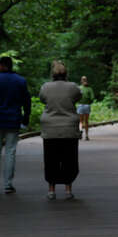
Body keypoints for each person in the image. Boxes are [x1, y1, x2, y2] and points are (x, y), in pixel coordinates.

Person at [0, 55, 31, 194]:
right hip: (13, 120)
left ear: (1, 65)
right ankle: (8, 184)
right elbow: (27, 101)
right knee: (10, 152)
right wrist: (26, 117)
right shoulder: (20, 81)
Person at [38, 60, 82, 200]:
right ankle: (68, 190)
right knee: (69, 159)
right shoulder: (73, 87)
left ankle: (51, 190)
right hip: (69, 128)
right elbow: (78, 97)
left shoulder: (45, 87)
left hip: (50, 129)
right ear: (66, 73)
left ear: (53, 74)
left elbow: (42, 100)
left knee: (51, 160)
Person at [76, 75, 95, 140]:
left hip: (80, 105)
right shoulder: (89, 89)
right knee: (86, 121)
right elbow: (92, 98)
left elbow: (76, 97)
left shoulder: (78, 88)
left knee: (80, 121)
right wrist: (89, 102)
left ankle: (80, 131)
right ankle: (86, 135)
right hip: (87, 105)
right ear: (86, 81)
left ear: (81, 81)